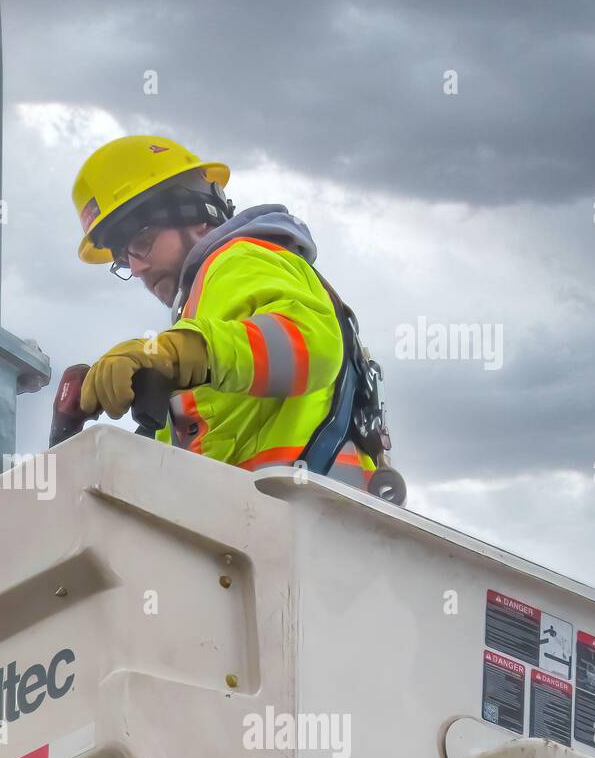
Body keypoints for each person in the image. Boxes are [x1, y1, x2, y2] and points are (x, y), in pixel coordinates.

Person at [72, 134, 385, 491]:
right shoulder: (202, 314)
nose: (138, 268)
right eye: (123, 258)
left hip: (309, 522)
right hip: (269, 528)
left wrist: (184, 351)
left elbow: (311, 344)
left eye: (141, 242)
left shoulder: (236, 259)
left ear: (198, 217)